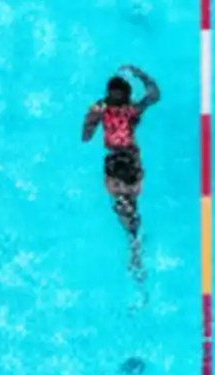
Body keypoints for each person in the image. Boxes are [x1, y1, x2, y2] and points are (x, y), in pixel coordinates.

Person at [82, 66, 161, 246]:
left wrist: (91, 119)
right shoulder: (130, 110)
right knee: (128, 199)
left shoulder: (107, 109)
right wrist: (141, 74)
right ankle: (133, 236)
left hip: (116, 158)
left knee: (121, 200)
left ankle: (132, 236)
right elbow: (154, 96)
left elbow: (86, 135)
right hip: (129, 157)